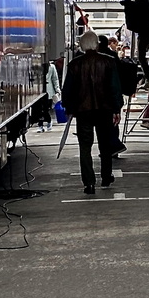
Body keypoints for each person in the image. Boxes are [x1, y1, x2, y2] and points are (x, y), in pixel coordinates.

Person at [61, 30, 124, 195]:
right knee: (105, 145)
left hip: (83, 111)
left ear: (81, 46)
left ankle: (89, 183)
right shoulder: (109, 62)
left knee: (85, 147)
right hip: (104, 109)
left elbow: (68, 90)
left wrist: (68, 108)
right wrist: (117, 108)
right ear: (97, 44)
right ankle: (106, 176)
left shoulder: (75, 64)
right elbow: (115, 88)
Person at [36, 57, 62, 133]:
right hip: (39, 90)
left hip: (49, 91)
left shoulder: (52, 67)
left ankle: (48, 121)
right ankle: (40, 125)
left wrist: (57, 89)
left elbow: (55, 78)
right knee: (40, 109)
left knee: (46, 108)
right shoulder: (38, 66)